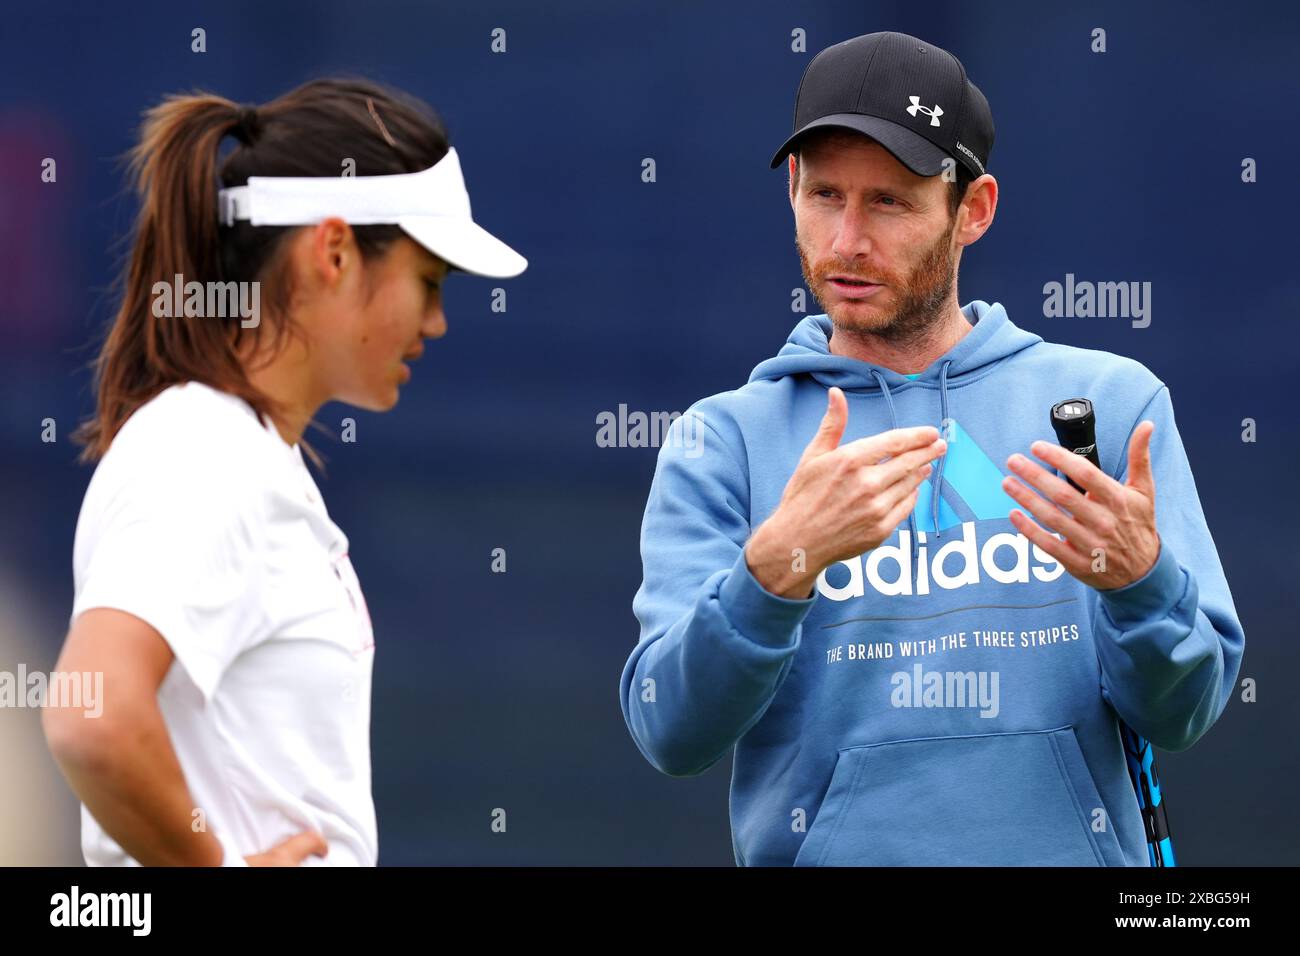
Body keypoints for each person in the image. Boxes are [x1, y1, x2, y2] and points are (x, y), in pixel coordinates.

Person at [620, 31, 1244, 866]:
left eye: (889, 202)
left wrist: (1141, 583)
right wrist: (774, 571)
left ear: (973, 210)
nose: (846, 241)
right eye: (826, 195)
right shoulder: (722, 438)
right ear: (793, 190)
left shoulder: (1108, 404)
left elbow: (1188, 711)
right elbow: (670, 732)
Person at [42, 77, 526, 866]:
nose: (436, 321)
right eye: (429, 281)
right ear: (333, 251)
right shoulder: (207, 452)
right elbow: (87, 712)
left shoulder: (235, 452)